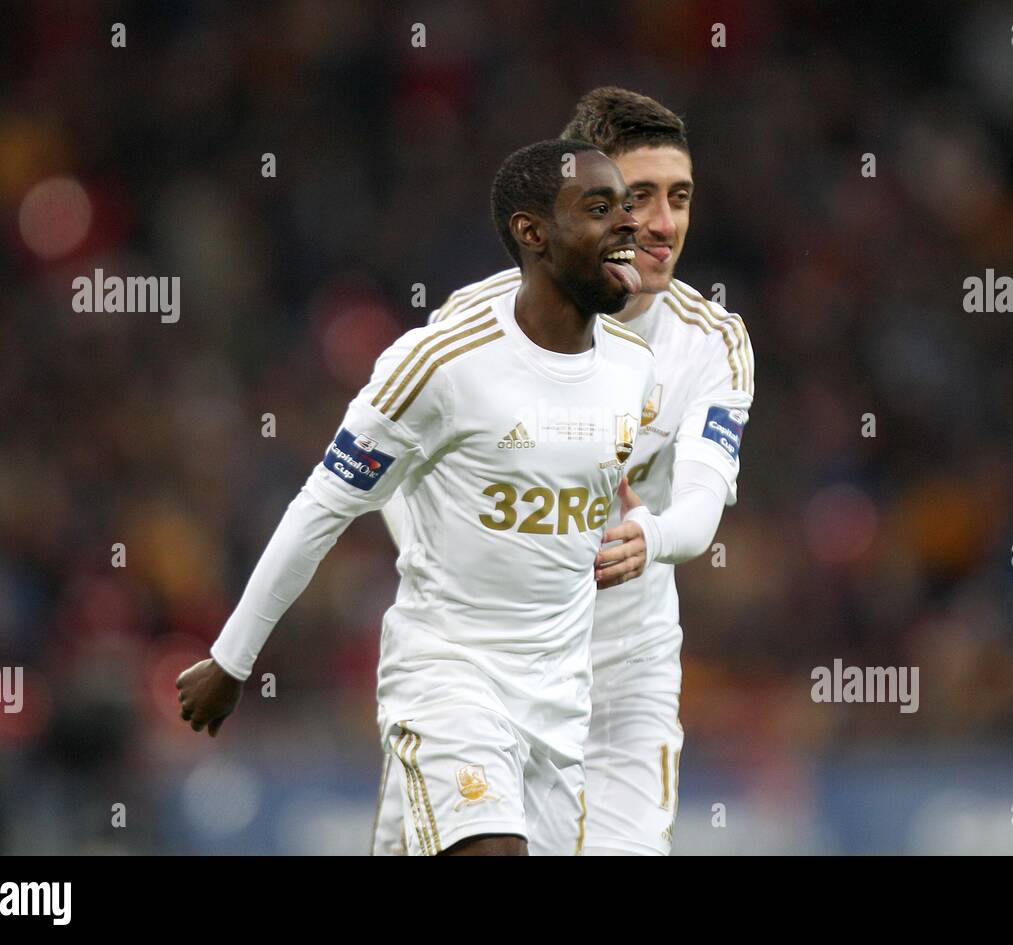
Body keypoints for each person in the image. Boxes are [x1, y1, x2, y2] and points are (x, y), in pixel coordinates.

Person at [177, 139, 658, 856]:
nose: (628, 222)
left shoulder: (632, 371)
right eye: (598, 208)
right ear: (532, 233)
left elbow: (601, 490)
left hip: (559, 709)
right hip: (448, 678)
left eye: (627, 205)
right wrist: (232, 658)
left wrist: (645, 526)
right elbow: (322, 504)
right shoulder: (440, 365)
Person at [375, 88, 754, 856]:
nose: (660, 224)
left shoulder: (711, 343)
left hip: (626, 673)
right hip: (489, 662)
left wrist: (649, 536)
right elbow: (388, 473)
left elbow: (701, 505)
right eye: (636, 196)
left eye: (677, 198)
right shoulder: (474, 327)